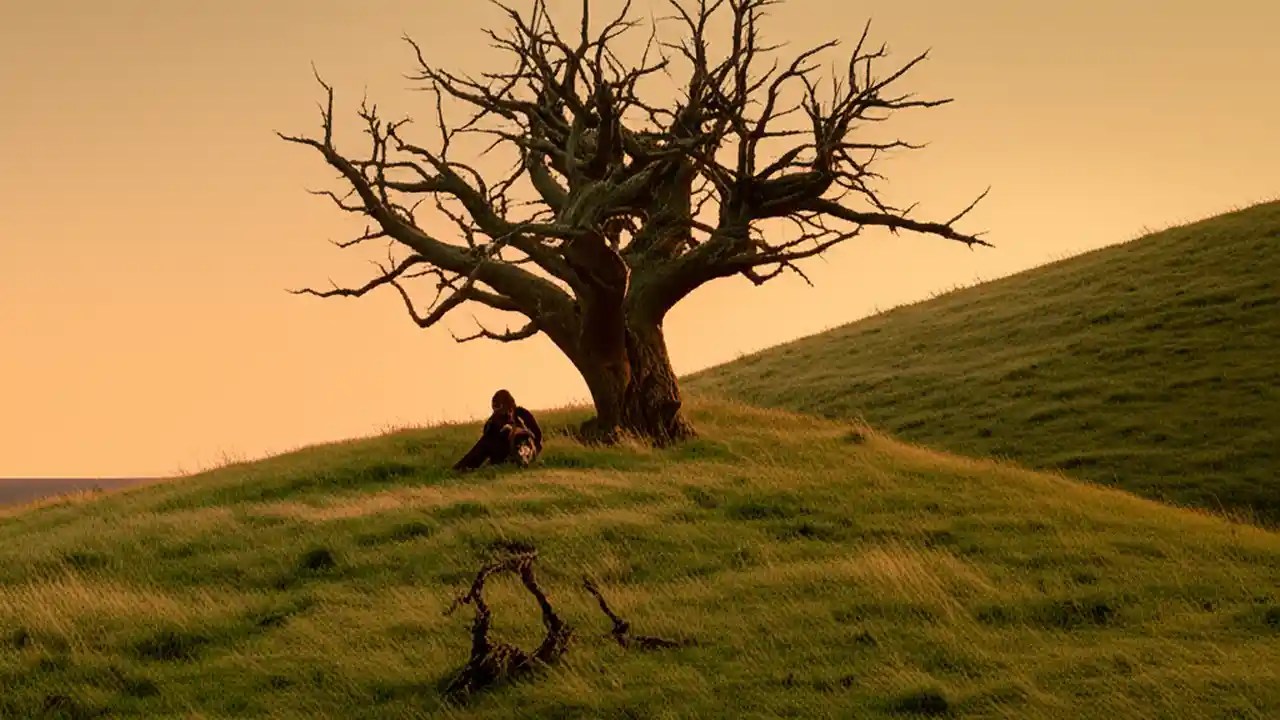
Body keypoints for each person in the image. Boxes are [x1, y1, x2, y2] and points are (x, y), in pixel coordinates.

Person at [452, 389, 544, 472]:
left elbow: (537, 436)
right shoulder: (495, 420)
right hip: (505, 453)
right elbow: (487, 436)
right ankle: (463, 468)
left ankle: (464, 468)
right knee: (487, 441)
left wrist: (519, 431)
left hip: (525, 448)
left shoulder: (522, 414)